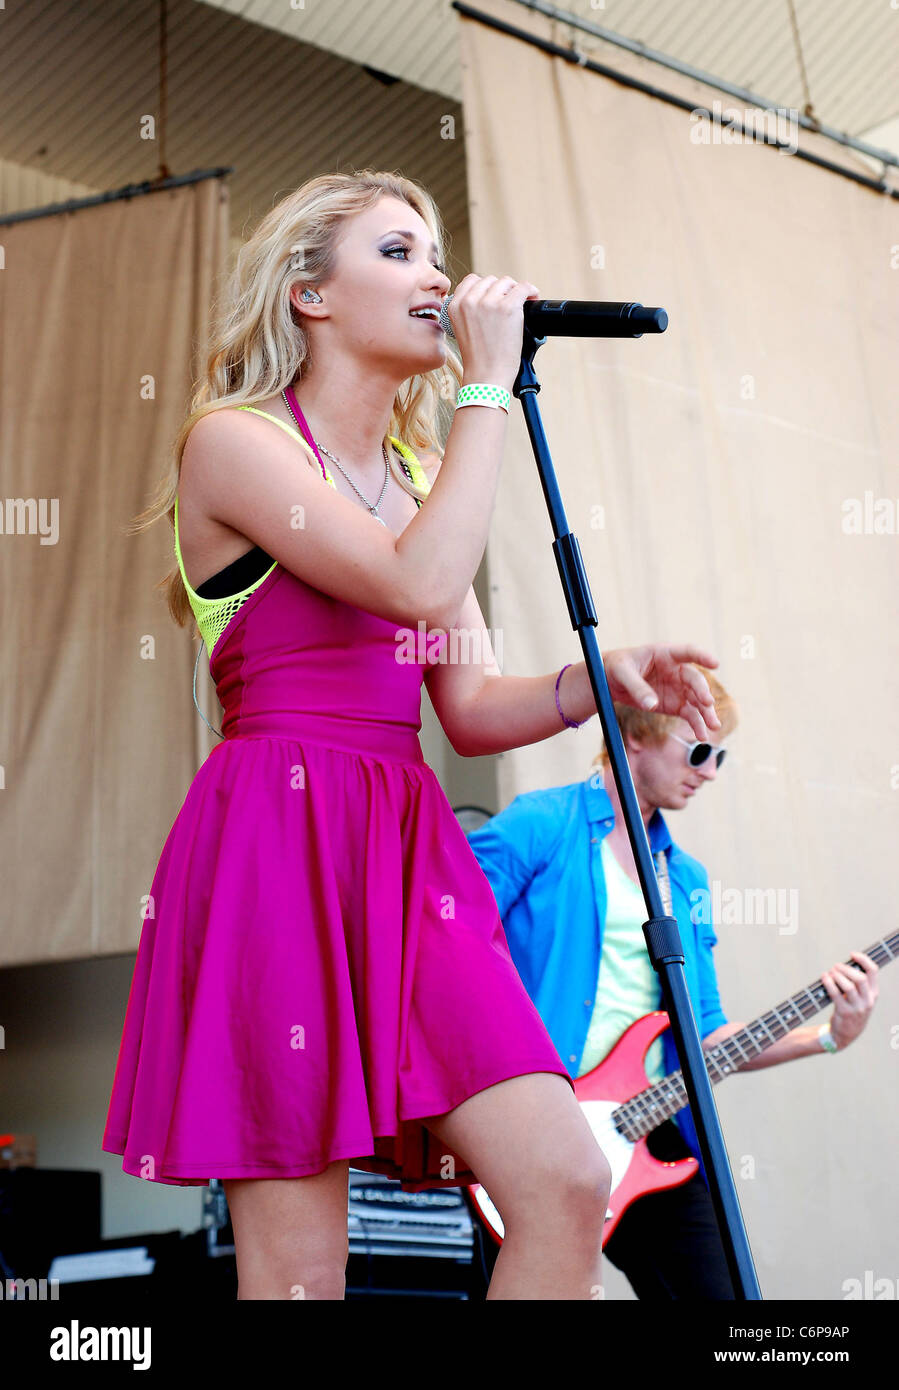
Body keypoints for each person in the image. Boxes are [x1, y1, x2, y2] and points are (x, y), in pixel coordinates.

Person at [102, 167, 725, 1302]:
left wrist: (599, 681)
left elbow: (472, 706)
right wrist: (486, 390)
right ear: (309, 295)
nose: (435, 277)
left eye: (436, 255)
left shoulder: (415, 473)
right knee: (298, 1277)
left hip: (404, 849)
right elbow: (413, 580)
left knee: (560, 1187)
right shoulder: (233, 444)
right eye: (396, 252)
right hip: (276, 842)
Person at [466, 666, 879, 1299]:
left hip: (646, 1129)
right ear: (634, 737)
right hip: (539, 1125)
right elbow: (446, 939)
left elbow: (707, 1036)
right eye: (698, 751)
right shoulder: (540, 825)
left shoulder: (686, 881)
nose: (709, 771)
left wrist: (827, 1037)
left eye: (719, 756)